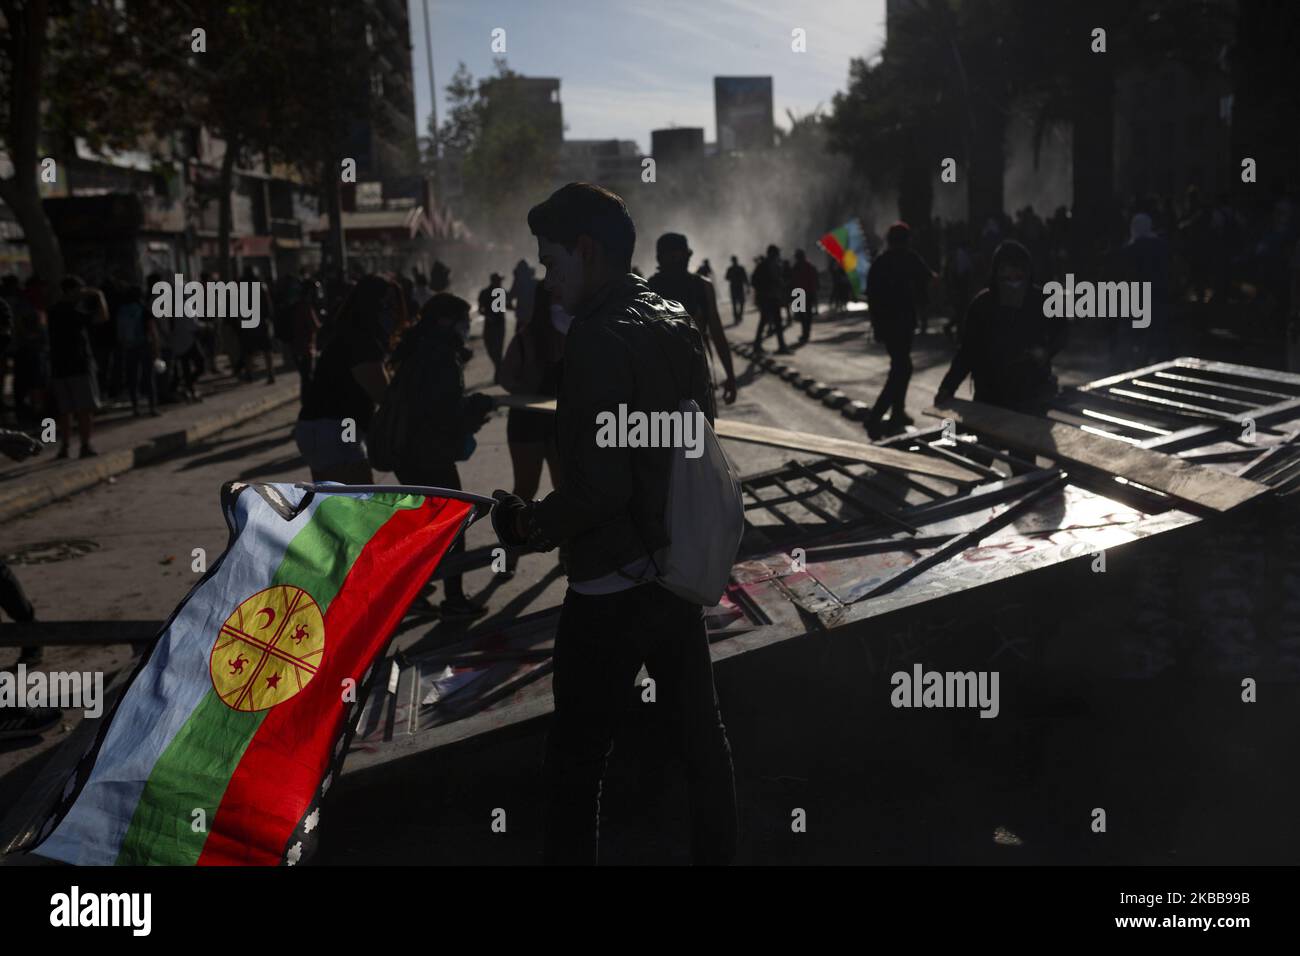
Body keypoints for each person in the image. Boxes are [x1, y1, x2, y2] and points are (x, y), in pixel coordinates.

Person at [490, 182, 737, 866]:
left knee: (576, 762)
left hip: (608, 589)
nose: (548, 277)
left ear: (587, 249)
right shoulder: (667, 315)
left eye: (552, 261)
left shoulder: (598, 337)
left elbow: (600, 486)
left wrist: (530, 525)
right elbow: (699, 430)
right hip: (672, 570)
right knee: (701, 742)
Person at [389, 293, 494, 621]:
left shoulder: (417, 347)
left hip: (407, 454)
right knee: (453, 525)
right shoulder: (441, 357)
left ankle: (414, 593)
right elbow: (445, 415)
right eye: (462, 320)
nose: (466, 326)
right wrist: (475, 410)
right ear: (445, 322)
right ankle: (453, 598)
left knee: (423, 527)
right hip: (429, 455)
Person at [294, 274, 406, 483]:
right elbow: (383, 395)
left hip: (320, 427)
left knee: (335, 505)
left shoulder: (351, 333)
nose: (393, 311)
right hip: (336, 429)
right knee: (360, 504)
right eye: (387, 304)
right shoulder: (362, 340)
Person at [934, 239, 1066, 412]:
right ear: (996, 275)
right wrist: (948, 387)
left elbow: (1062, 332)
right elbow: (967, 351)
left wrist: (1046, 351)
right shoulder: (982, 305)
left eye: (1018, 278)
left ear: (1027, 274)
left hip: (1032, 393)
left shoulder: (1043, 301)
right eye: (1006, 278)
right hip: (990, 394)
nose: (1013, 285)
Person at [864, 221, 936, 439]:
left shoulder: (881, 262)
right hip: (903, 322)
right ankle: (877, 415)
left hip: (887, 324)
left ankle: (897, 412)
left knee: (900, 366)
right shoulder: (909, 257)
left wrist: (876, 325)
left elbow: (872, 296)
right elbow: (928, 278)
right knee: (902, 368)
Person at [498, 283, 567, 507]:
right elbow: (506, 378)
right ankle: (512, 533)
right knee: (526, 487)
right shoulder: (525, 338)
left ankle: (567, 539)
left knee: (565, 486)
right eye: (557, 298)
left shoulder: (574, 332)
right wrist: (527, 388)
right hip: (527, 421)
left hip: (560, 420)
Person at [648, 233, 738, 405]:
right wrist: (730, 377)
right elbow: (717, 333)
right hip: (669, 379)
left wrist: (731, 376)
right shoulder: (650, 289)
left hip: (694, 377)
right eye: (671, 255)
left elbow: (717, 333)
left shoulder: (701, 287)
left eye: (677, 254)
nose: (675, 259)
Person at [47, 276, 108, 458]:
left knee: (65, 411)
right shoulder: (74, 312)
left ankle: (64, 447)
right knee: (84, 409)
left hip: (59, 367)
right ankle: (85, 445)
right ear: (73, 291)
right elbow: (103, 317)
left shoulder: (53, 311)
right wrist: (100, 295)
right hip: (79, 365)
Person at [115, 285, 160, 417]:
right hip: (144, 346)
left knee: (132, 379)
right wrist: (156, 349)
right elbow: (152, 331)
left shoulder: (121, 311)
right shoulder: (143, 309)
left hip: (129, 347)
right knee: (149, 377)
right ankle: (152, 407)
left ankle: (135, 408)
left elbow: (119, 334)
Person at [751, 244, 790, 354]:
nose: (778, 255)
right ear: (773, 254)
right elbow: (755, 281)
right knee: (768, 321)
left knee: (772, 321)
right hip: (768, 298)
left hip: (772, 297)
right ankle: (760, 345)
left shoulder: (770, 265)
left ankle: (761, 345)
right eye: (777, 253)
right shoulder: (764, 266)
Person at [478, 272, 508, 373]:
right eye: (499, 281)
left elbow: (506, 305)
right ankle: (499, 367)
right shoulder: (485, 293)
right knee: (490, 347)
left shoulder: (501, 292)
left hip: (499, 325)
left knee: (497, 349)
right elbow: (480, 309)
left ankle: (499, 370)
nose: (500, 282)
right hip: (491, 325)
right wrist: (488, 315)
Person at [790, 248, 820, 343]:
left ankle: (805, 333)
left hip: (800, 293)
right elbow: (815, 280)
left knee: (802, 315)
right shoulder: (809, 266)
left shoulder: (797, 267)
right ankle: (806, 333)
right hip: (808, 292)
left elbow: (793, 281)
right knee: (807, 315)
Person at [724, 256, 748, 324]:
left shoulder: (734, 269)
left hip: (736, 287)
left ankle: (738, 316)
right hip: (736, 287)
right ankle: (738, 316)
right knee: (737, 303)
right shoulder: (736, 268)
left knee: (739, 302)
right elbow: (727, 277)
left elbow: (727, 278)